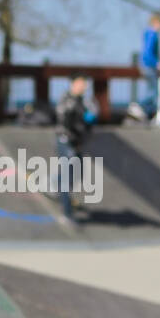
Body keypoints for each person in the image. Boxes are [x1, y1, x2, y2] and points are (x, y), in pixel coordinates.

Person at [55, 73, 98, 219]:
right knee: (67, 175)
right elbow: (64, 120)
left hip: (78, 141)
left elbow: (92, 117)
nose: (83, 87)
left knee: (76, 174)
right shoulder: (66, 100)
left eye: (85, 84)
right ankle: (66, 212)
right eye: (80, 83)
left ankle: (54, 185)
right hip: (66, 140)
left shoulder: (85, 101)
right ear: (73, 83)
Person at [130, 13, 160, 125]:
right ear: (156, 23)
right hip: (149, 66)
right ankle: (139, 106)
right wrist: (157, 63)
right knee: (153, 92)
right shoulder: (152, 34)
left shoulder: (148, 34)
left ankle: (146, 113)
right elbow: (148, 53)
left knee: (152, 91)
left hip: (146, 65)